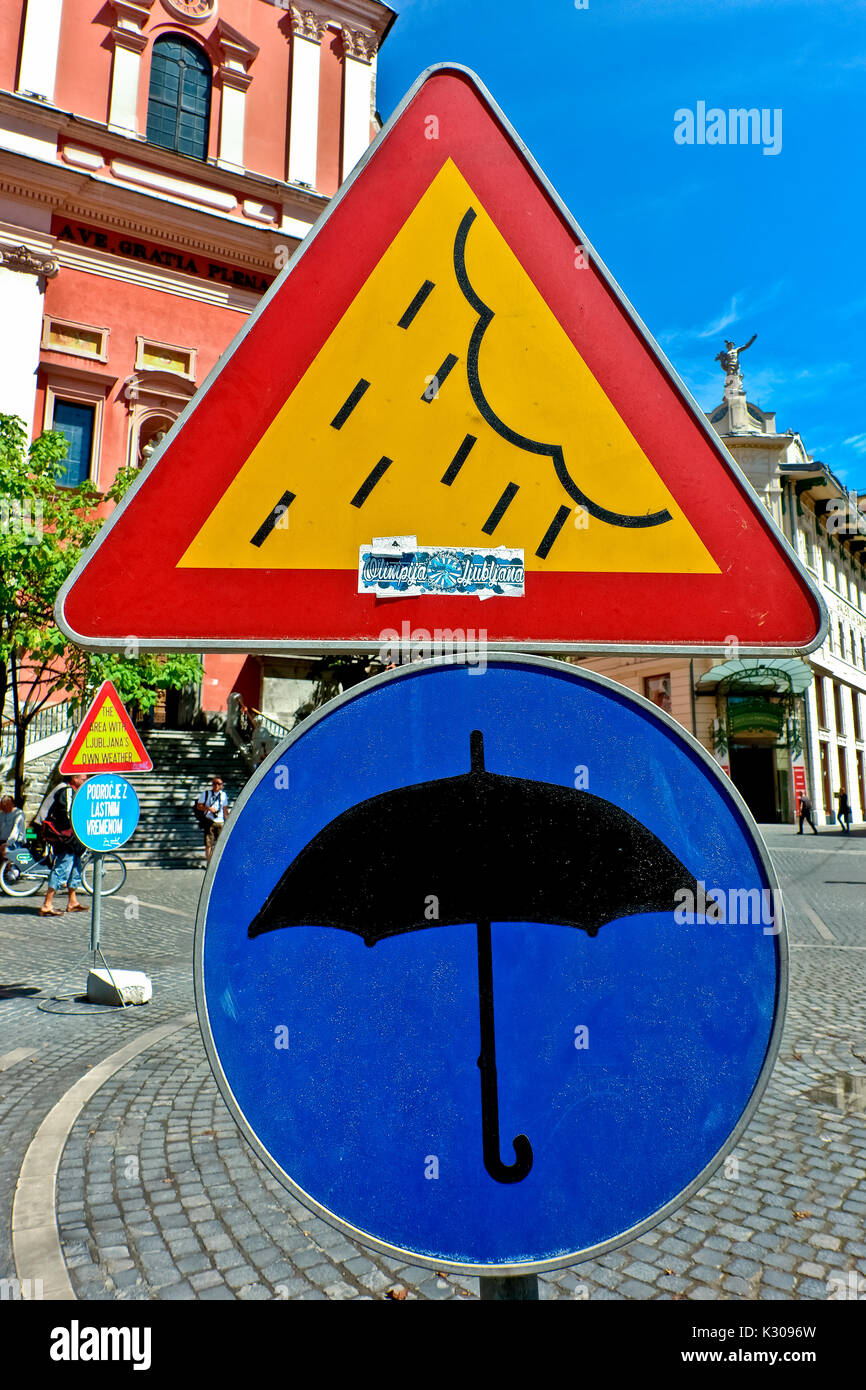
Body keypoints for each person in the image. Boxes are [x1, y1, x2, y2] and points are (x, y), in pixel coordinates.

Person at [40, 774, 88, 916]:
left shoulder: (75, 793)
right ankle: (47, 904)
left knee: (75, 868)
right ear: (74, 778)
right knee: (61, 869)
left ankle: (72, 902)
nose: (85, 781)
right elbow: (67, 816)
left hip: (73, 840)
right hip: (66, 839)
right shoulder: (66, 791)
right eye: (84, 779)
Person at [196, 775, 229, 865]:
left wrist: (228, 820)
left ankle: (218, 864)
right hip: (209, 820)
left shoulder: (223, 795)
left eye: (218, 784)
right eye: (214, 783)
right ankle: (209, 863)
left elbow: (225, 809)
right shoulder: (206, 794)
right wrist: (208, 808)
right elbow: (199, 806)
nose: (216, 786)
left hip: (220, 821)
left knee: (220, 844)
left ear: (222, 785)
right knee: (209, 843)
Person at [0, 794, 26, 862]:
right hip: (2, 842)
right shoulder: (2, 814)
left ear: (11, 804)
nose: (2, 808)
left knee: (11, 863)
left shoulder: (18, 814)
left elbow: (16, 830)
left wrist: (7, 844)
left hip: (14, 843)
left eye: (5, 806)